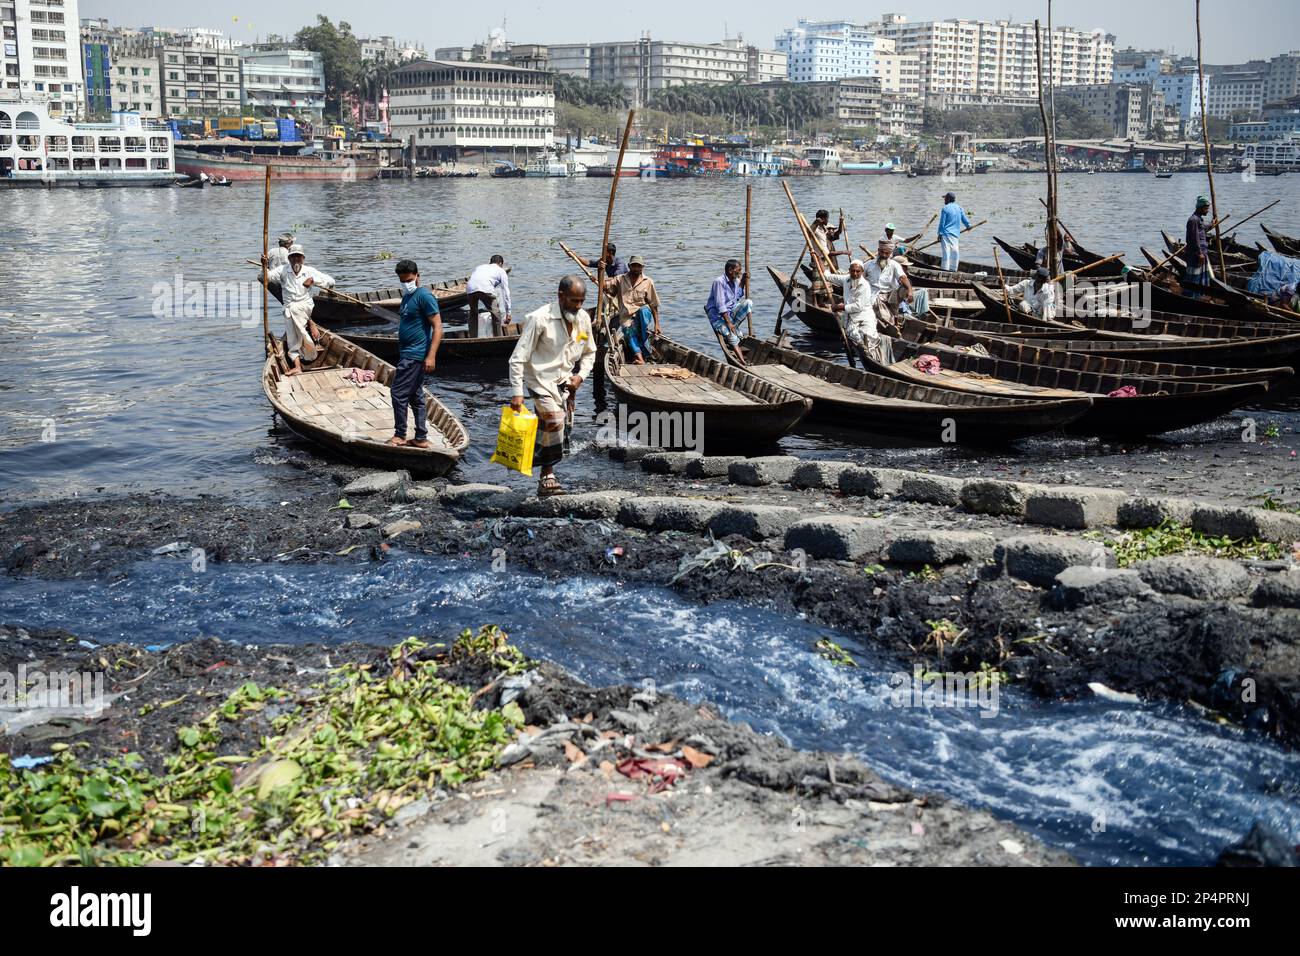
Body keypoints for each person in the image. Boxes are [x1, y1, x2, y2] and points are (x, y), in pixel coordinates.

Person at [508, 275, 597, 498]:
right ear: (560, 296)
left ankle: (531, 461)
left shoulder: (583, 319)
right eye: (573, 301)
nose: (578, 306)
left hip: (566, 382)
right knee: (554, 420)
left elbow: (589, 352)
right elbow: (517, 358)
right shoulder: (540, 319)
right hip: (539, 378)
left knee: (562, 428)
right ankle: (547, 475)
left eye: (581, 301)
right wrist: (517, 393)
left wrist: (581, 376)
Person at [387, 259, 442, 448]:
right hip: (407, 353)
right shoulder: (407, 297)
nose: (406, 283)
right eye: (403, 280)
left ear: (418, 276)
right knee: (415, 396)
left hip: (415, 355)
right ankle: (421, 437)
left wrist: (431, 356)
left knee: (398, 393)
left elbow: (437, 327)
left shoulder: (424, 296)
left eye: (409, 279)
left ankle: (400, 434)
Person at [261, 244, 334, 376]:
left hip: (305, 307)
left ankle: (310, 337)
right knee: (292, 340)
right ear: (289, 259)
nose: (296, 260)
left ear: (303, 259)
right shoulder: (283, 270)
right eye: (293, 257)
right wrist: (264, 266)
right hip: (290, 309)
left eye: (298, 257)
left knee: (295, 311)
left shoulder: (309, 271)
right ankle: (297, 367)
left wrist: (313, 281)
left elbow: (331, 281)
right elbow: (267, 277)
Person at [826, 259, 890, 364]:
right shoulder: (846, 279)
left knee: (870, 338)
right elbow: (829, 277)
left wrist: (840, 307)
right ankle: (865, 354)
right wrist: (819, 260)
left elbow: (858, 306)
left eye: (858, 271)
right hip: (852, 318)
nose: (855, 274)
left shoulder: (865, 286)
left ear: (861, 272)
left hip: (865, 316)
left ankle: (876, 360)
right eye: (853, 271)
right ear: (849, 270)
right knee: (854, 336)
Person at [604, 254, 660, 365]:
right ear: (629, 266)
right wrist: (600, 273)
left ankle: (644, 340)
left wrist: (657, 324)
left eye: (638, 266)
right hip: (626, 316)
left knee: (643, 311)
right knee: (629, 332)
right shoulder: (620, 279)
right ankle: (640, 358)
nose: (636, 268)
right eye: (634, 266)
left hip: (642, 314)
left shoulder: (648, 282)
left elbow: (653, 304)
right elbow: (607, 287)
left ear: (642, 267)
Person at [704, 259, 750, 363]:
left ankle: (734, 327)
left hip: (730, 313)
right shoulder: (719, 282)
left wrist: (743, 281)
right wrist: (728, 323)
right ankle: (743, 362)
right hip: (718, 317)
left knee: (748, 303)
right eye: (738, 270)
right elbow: (720, 305)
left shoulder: (735, 281)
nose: (740, 272)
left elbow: (738, 296)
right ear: (730, 270)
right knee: (732, 337)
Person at [863, 239, 914, 327]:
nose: (883, 255)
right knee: (887, 320)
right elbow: (859, 278)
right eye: (881, 252)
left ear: (890, 253)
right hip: (876, 295)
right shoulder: (869, 265)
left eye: (887, 253)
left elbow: (903, 277)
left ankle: (895, 315)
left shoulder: (894, 265)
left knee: (906, 284)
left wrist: (910, 291)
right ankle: (891, 321)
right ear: (878, 251)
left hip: (891, 295)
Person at [467, 254, 513, 337]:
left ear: (490, 262)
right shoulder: (501, 271)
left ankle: (472, 337)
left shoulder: (480, 267)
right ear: (500, 264)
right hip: (485, 288)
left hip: (470, 288)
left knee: (473, 314)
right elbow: (506, 292)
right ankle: (498, 338)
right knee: (496, 314)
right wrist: (508, 313)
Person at [1183, 195, 1213, 298]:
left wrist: (1212, 224)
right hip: (1196, 254)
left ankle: (1199, 296)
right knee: (1193, 277)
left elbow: (1203, 229)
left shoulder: (1199, 219)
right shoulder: (1193, 220)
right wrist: (1199, 253)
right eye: (1206, 208)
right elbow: (1194, 239)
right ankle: (1191, 297)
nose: (1207, 210)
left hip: (1202, 252)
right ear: (1200, 207)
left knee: (1200, 277)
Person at [938, 191, 972, 271]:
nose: (944, 200)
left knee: (946, 253)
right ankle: (953, 269)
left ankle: (944, 269)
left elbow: (942, 223)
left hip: (946, 234)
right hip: (955, 235)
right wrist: (968, 225)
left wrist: (940, 234)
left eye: (945, 198)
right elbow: (965, 220)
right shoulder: (959, 208)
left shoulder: (945, 208)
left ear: (949, 199)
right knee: (955, 252)